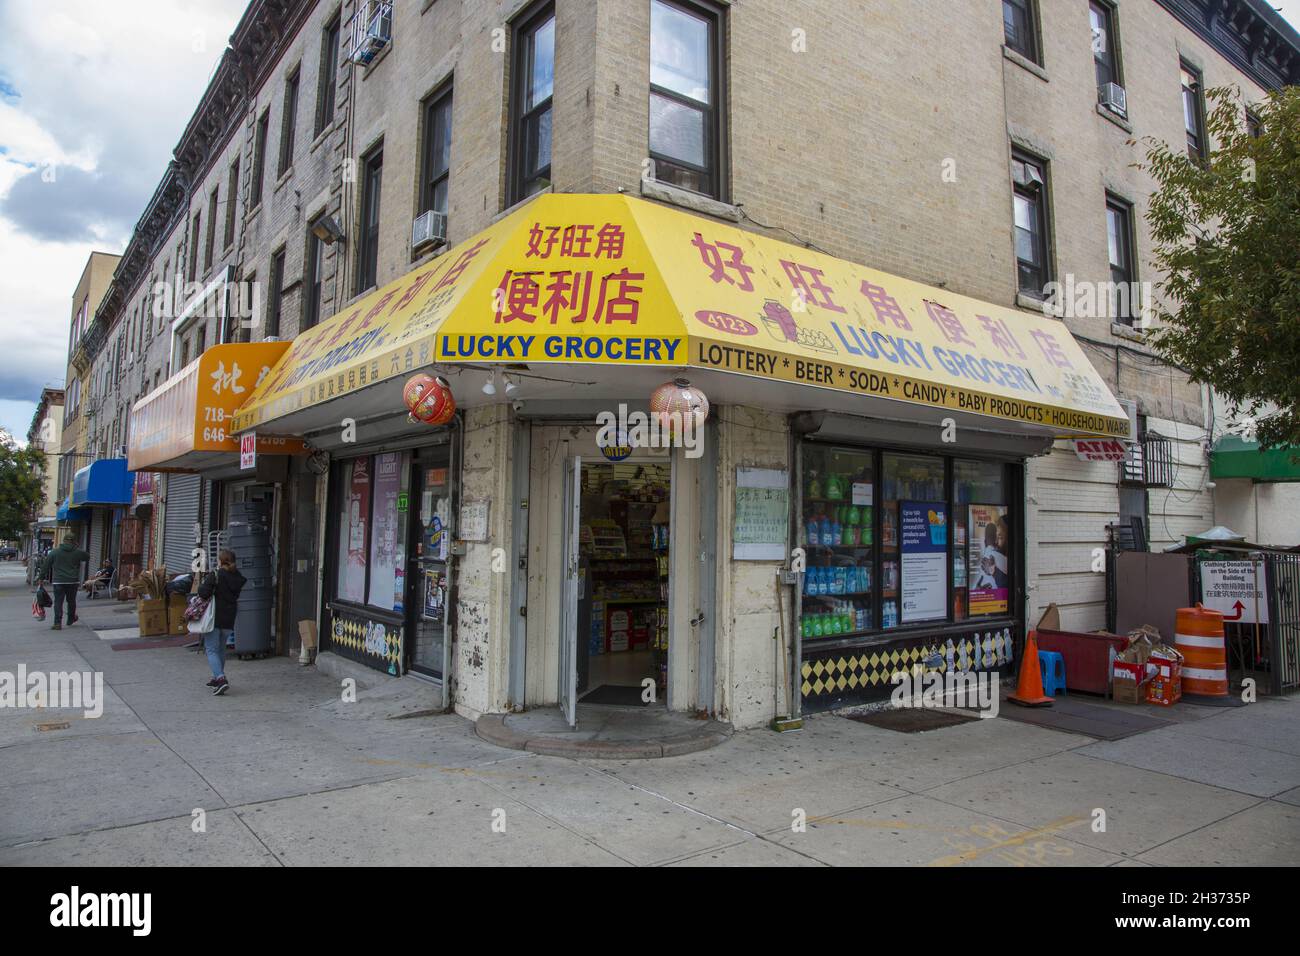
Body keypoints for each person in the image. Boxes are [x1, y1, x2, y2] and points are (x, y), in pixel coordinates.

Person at [197, 549, 246, 696]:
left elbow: (203, 593)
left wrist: (205, 583)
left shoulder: (216, 575)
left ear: (220, 560)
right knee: (221, 649)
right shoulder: (237, 577)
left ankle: (220, 678)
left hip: (214, 617)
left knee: (211, 649)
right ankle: (216, 676)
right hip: (229, 617)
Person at [41, 533, 89, 630]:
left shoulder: (55, 552)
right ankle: (70, 619)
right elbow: (87, 557)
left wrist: (41, 578)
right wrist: (77, 547)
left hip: (58, 581)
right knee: (71, 601)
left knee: (58, 602)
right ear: (74, 541)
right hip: (72, 581)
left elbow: (46, 565)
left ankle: (57, 623)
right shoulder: (77, 552)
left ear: (64, 541)